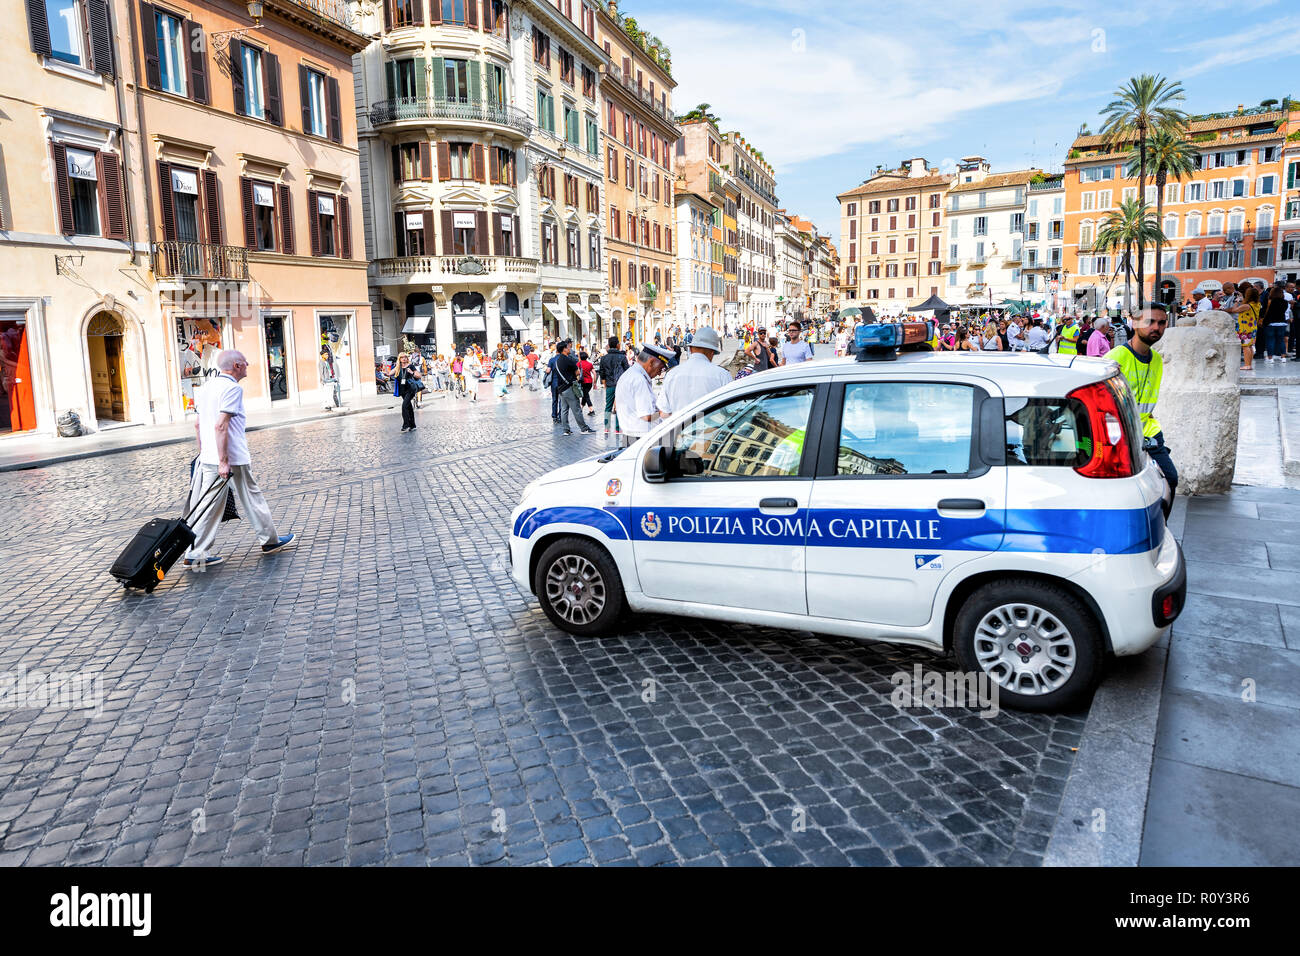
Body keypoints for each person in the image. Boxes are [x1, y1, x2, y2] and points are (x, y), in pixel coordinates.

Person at [182, 349, 293, 568]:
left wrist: (204, 452)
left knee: (208, 503)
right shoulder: (232, 388)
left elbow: (197, 425)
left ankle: (195, 551)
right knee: (251, 497)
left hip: (209, 457)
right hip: (231, 457)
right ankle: (269, 541)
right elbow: (221, 425)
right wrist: (223, 461)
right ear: (236, 366)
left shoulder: (205, 388)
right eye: (245, 362)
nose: (248, 364)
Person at [1106, 305, 1177, 494]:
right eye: (1150, 322)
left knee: (1170, 479)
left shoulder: (1156, 359)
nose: (1156, 328)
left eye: (1161, 323)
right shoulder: (1115, 358)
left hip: (1149, 432)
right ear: (1135, 323)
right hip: (1121, 434)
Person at [660, 327, 732, 417]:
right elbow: (730, 410)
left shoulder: (672, 374)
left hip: (678, 429)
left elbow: (664, 413)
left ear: (690, 349)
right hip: (711, 430)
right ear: (712, 352)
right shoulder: (722, 375)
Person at [614, 344, 672, 447]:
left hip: (631, 435)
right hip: (640, 438)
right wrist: (666, 413)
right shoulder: (639, 380)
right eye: (660, 368)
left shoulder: (630, 374)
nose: (659, 374)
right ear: (651, 362)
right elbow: (646, 416)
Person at [553, 340, 593, 435]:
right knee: (576, 409)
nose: (569, 348)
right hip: (568, 387)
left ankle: (566, 430)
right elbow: (578, 372)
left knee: (564, 409)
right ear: (564, 349)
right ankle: (584, 428)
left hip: (561, 388)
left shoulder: (557, 360)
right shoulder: (568, 359)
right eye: (568, 347)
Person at [598, 336, 630, 433]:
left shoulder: (604, 358)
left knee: (608, 406)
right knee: (619, 407)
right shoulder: (622, 357)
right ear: (617, 345)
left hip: (609, 384)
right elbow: (627, 371)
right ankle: (617, 428)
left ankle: (607, 427)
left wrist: (604, 384)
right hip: (620, 385)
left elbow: (602, 372)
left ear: (609, 345)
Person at [1263, 284, 1290, 364]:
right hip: (1282, 322)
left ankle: (1270, 358)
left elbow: (1268, 313)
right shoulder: (1285, 302)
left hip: (1271, 323)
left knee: (1270, 340)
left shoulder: (1270, 301)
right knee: (1281, 340)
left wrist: (1264, 322)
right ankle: (1283, 358)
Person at [396, 353, 421, 431]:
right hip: (402, 390)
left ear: (407, 358)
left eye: (405, 357)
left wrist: (411, 372)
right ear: (399, 359)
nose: (403, 359)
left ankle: (406, 425)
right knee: (409, 407)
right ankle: (413, 425)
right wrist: (385, 366)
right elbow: (389, 373)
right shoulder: (398, 367)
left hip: (410, 389)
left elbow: (419, 375)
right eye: (402, 357)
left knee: (404, 406)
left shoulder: (411, 366)